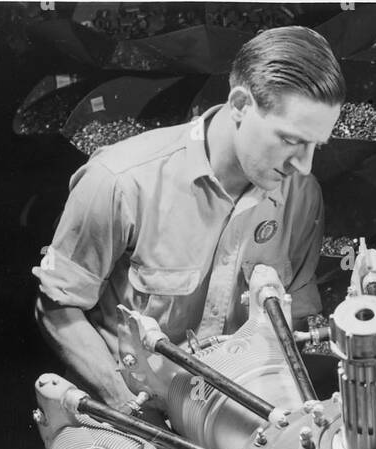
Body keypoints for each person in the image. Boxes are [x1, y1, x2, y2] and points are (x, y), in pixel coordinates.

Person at [33, 26, 345, 413]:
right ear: (240, 104)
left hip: (240, 411)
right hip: (138, 414)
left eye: (316, 145)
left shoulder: (302, 194)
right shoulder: (119, 182)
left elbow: (293, 321)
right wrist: (123, 402)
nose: (304, 164)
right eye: (291, 140)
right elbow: (56, 309)